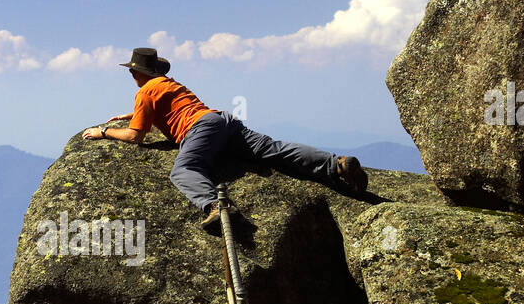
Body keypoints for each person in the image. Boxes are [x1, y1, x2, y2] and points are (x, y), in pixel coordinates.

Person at [82, 46, 368, 235]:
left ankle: (216, 207)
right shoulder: (168, 84)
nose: (131, 75)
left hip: (200, 130)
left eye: (132, 71)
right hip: (221, 121)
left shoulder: (146, 91)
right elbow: (168, 109)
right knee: (272, 150)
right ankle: (336, 165)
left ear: (137, 72)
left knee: (183, 171)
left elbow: (135, 136)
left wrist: (103, 132)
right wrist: (132, 114)